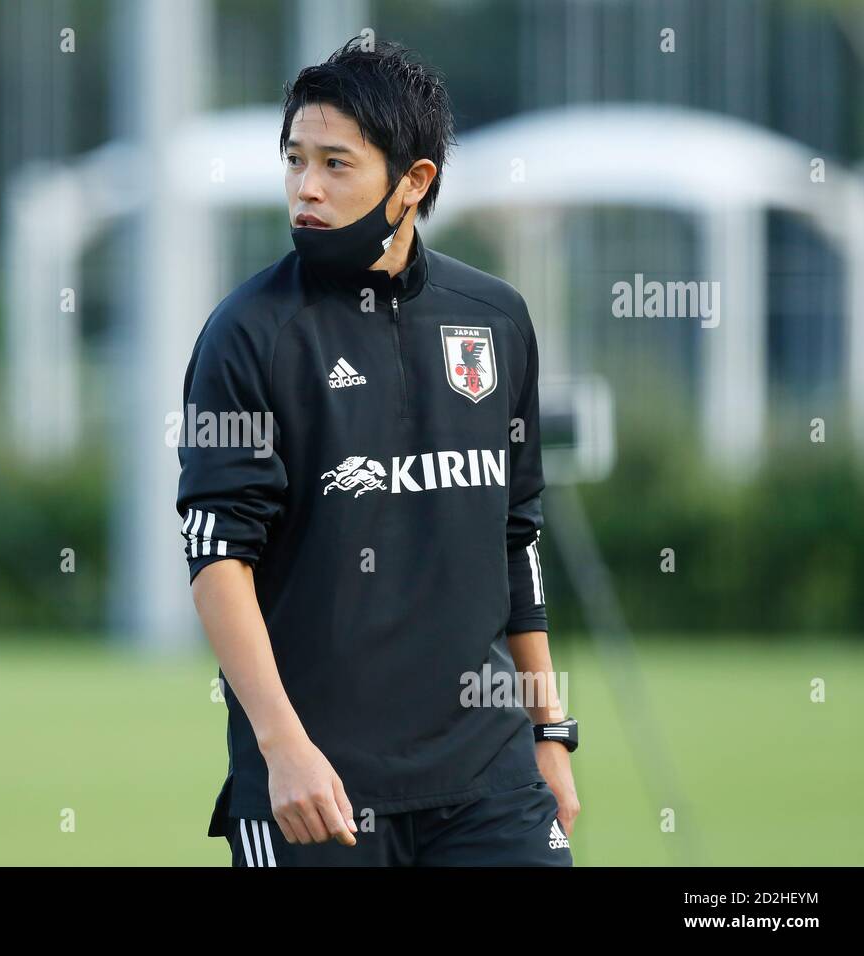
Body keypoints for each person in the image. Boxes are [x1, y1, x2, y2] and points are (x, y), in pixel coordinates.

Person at [176, 37, 581, 866]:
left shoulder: (495, 317)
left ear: (414, 182)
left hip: (489, 782)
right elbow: (218, 558)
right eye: (294, 161)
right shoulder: (247, 334)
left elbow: (517, 537)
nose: (307, 189)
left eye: (336, 163)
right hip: (316, 789)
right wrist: (282, 749)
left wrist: (551, 732)